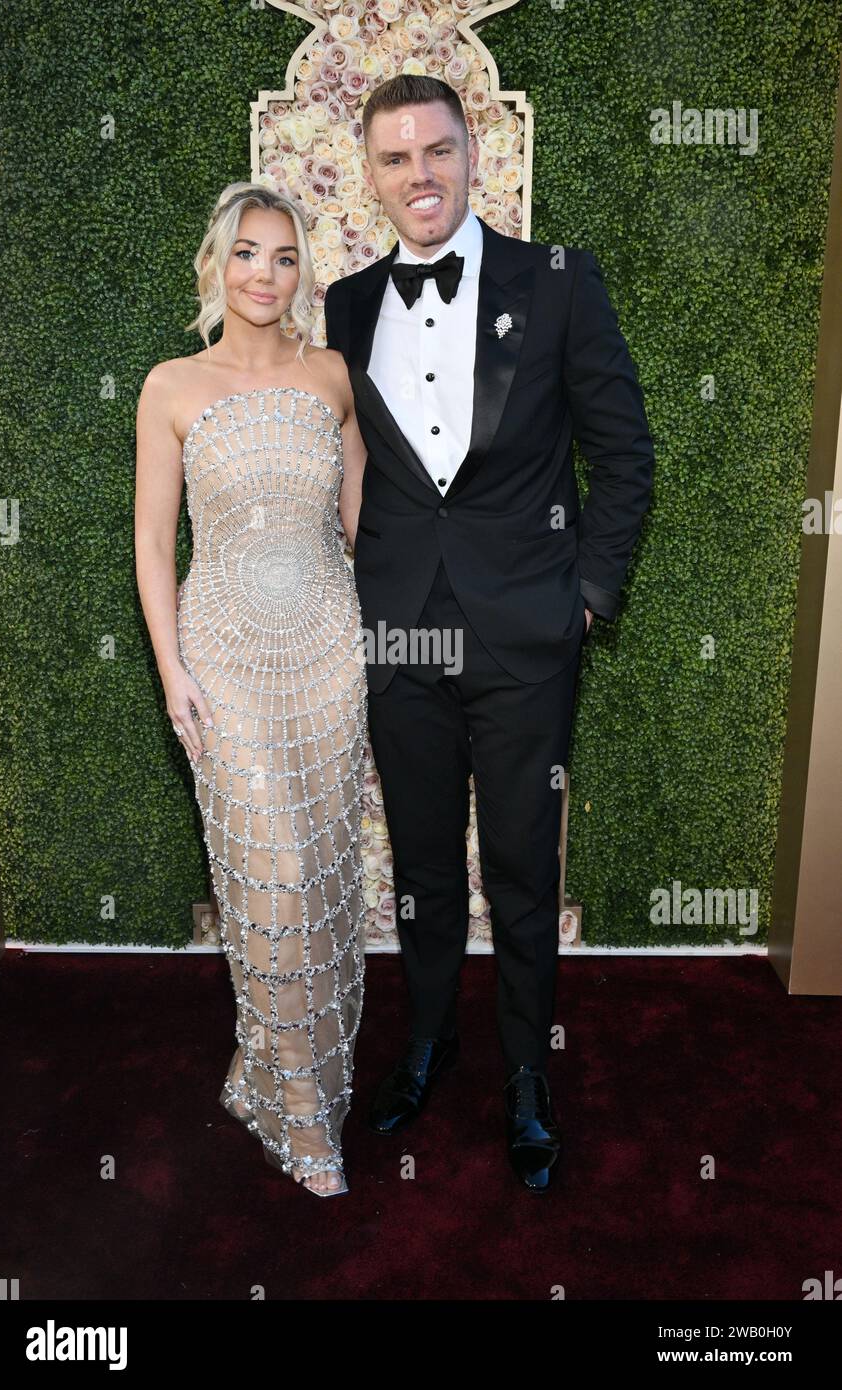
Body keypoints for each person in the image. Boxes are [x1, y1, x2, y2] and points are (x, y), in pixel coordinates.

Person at [325, 76, 654, 1193]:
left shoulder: (556, 280)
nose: (418, 174)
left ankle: (525, 1072)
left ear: (473, 154)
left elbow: (624, 452)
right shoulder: (345, 305)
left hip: (524, 636)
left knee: (518, 862)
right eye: (394, 157)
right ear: (370, 176)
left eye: (436, 150)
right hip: (402, 635)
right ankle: (429, 1040)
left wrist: (587, 595)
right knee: (420, 860)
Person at [135, 182, 369, 1195]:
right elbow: (153, 543)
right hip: (223, 665)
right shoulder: (171, 386)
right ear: (215, 263)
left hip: (327, 660)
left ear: (301, 271)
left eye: (282, 256)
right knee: (266, 881)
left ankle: (263, 1070)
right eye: (245, 252)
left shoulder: (333, 377)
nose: (263, 274)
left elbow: (363, 524)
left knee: (318, 877)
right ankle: (303, 1123)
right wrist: (171, 670)